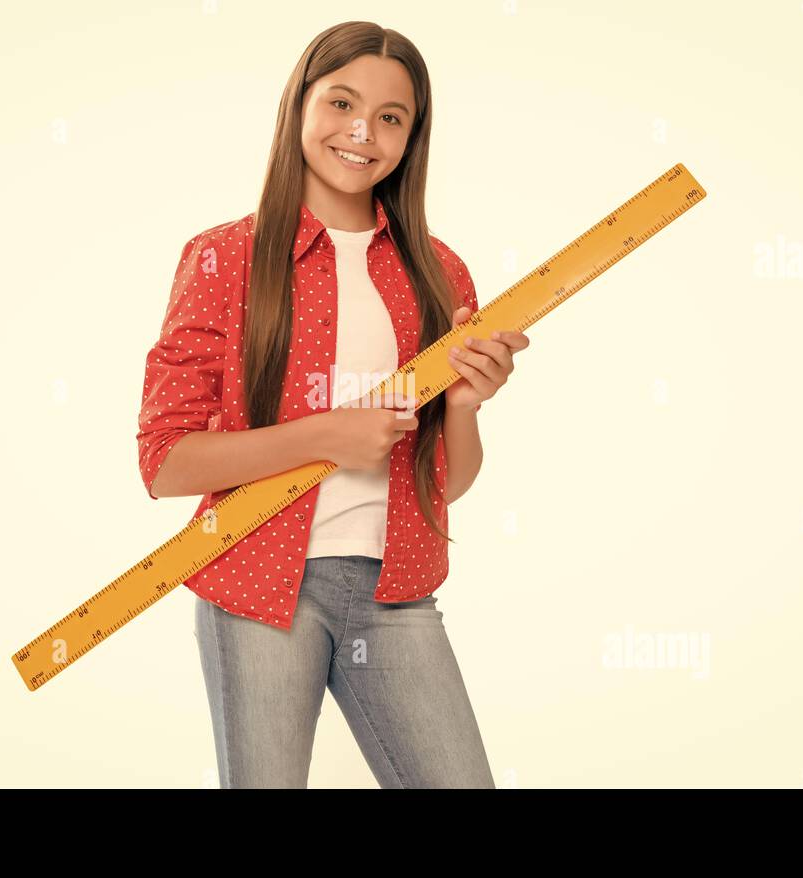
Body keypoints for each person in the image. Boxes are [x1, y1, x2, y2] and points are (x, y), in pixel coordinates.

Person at [136, 21, 530, 788]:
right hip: (256, 590)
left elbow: (445, 485)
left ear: (413, 137)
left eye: (391, 117)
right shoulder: (225, 258)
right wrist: (324, 437)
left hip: (396, 590)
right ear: (299, 106)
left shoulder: (441, 273)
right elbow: (164, 465)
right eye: (341, 102)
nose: (362, 132)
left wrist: (466, 406)